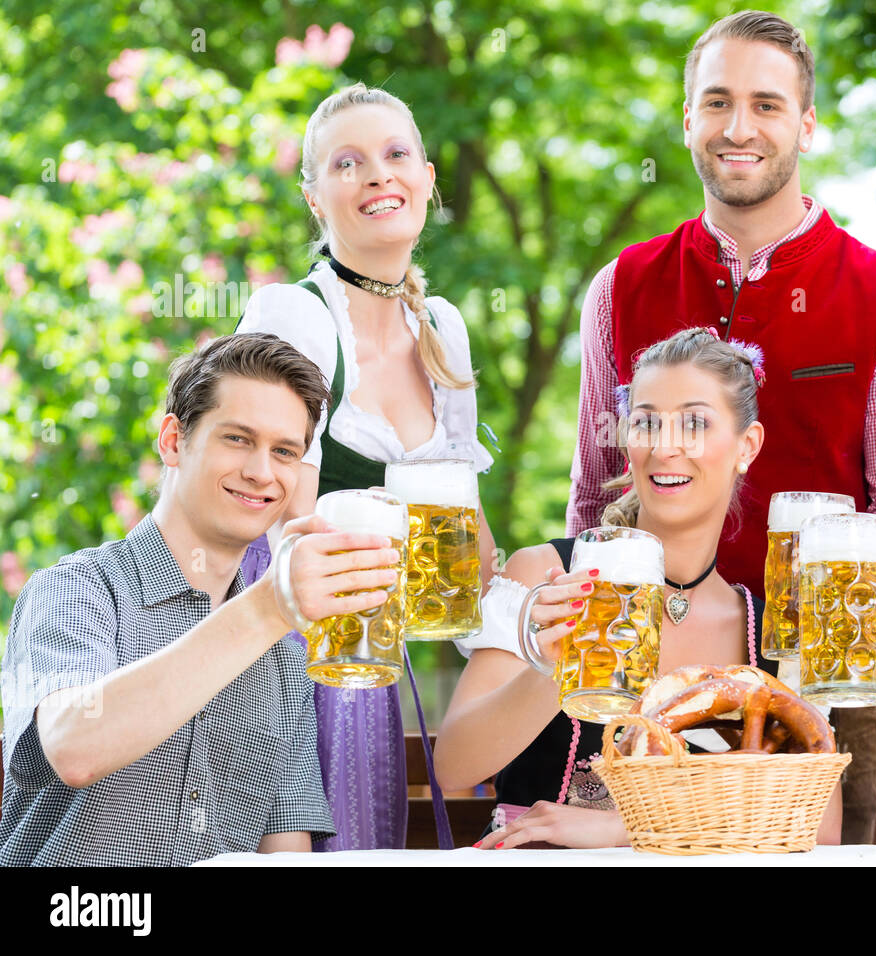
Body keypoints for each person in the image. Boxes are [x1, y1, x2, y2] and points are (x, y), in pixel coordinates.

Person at [564, 10, 876, 844]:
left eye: (768, 105)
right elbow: (592, 496)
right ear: (689, 118)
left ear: (807, 124)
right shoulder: (619, 287)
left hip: (820, 680)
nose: (740, 128)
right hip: (647, 671)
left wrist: (826, 578)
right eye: (717, 103)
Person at [0, 333, 404, 865]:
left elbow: (285, 853)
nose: (262, 471)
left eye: (285, 451)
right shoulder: (76, 589)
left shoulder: (282, 650)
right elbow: (74, 748)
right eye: (237, 439)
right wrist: (268, 608)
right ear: (172, 440)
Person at [437, 327, 840, 848]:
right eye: (646, 422)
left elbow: (822, 832)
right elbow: (453, 766)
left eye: (695, 422)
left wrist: (628, 831)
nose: (665, 446)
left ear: (747, 446)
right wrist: (550, 669)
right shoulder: (546, 575)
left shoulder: (771, 633)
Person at [235, 83, 496, 850]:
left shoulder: (441, 326)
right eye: (347, 164)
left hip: (374, 659)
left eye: (395, 154)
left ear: (425, 176)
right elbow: (286, 531)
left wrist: (528, 616)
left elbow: (472, 555)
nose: (378, 174)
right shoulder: (295, 316)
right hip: (290, 643)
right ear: (316, 200)